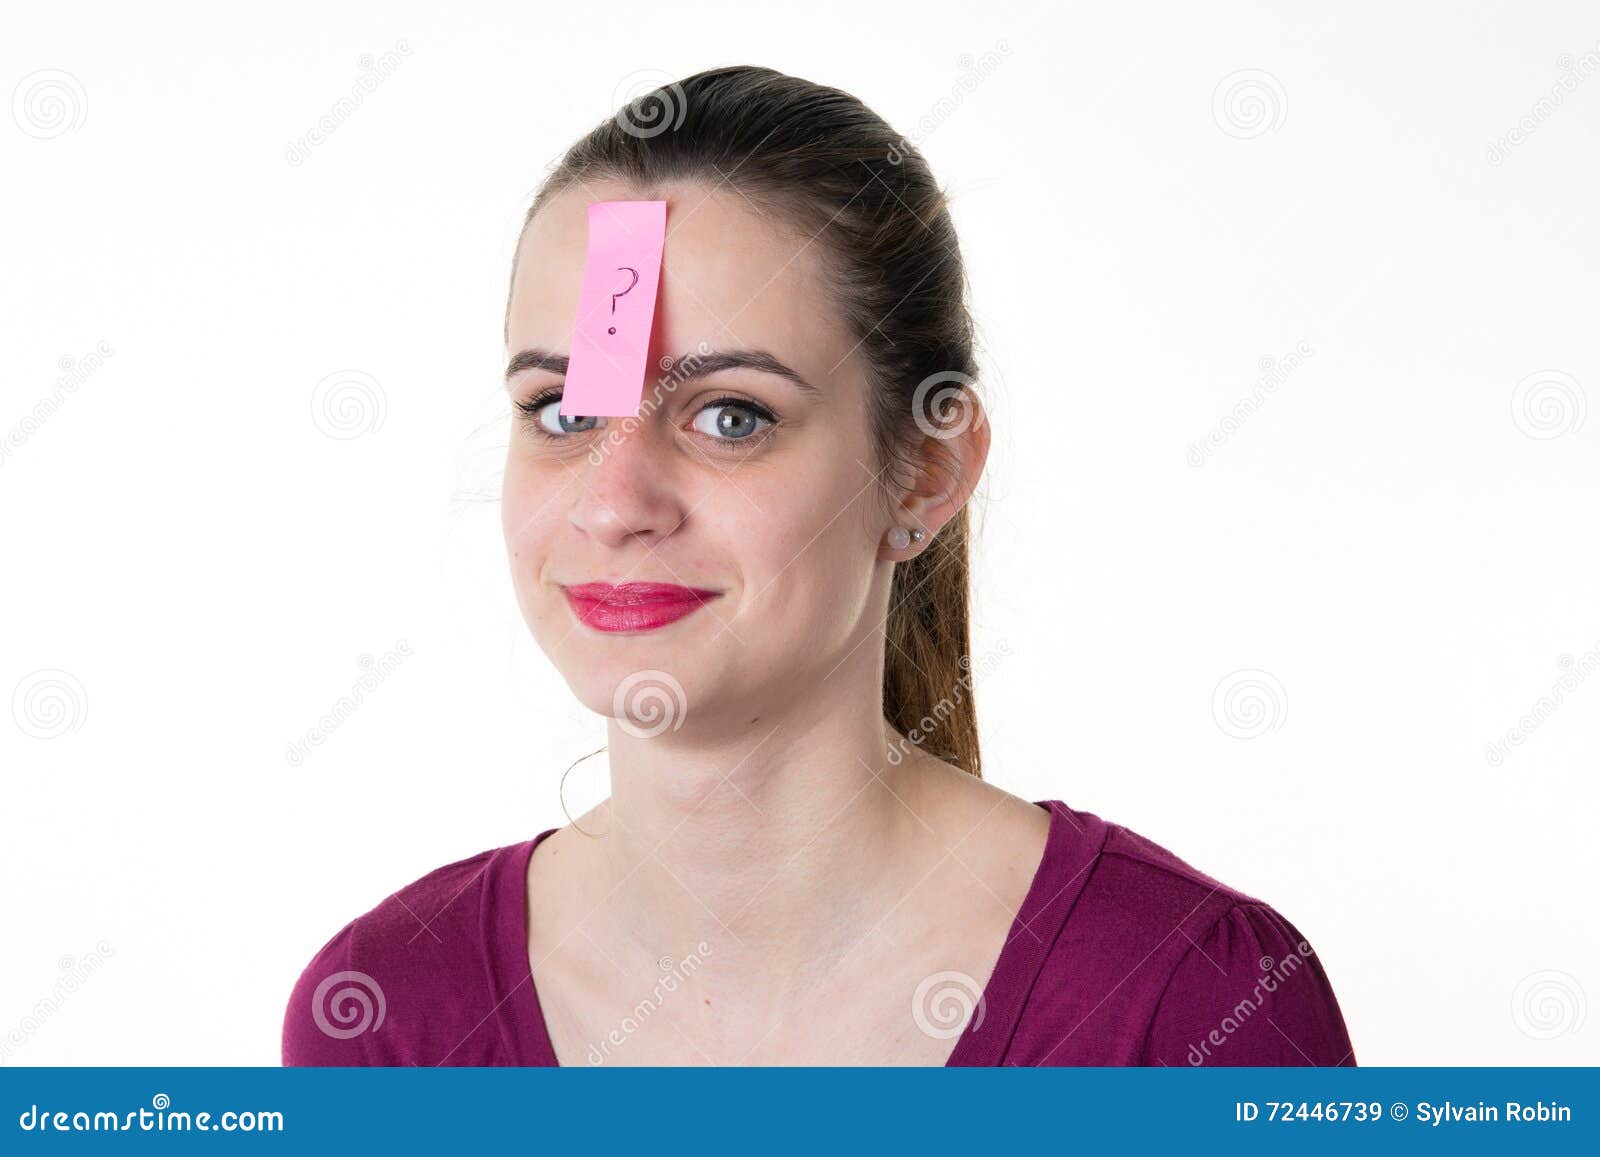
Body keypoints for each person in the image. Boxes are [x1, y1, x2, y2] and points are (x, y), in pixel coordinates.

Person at [282, 65, 1355, 1067]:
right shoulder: (386, 1016)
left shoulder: (1192, 1005)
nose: (614, 503)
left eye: (732, 414)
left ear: (924, 470)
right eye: (561, 409)